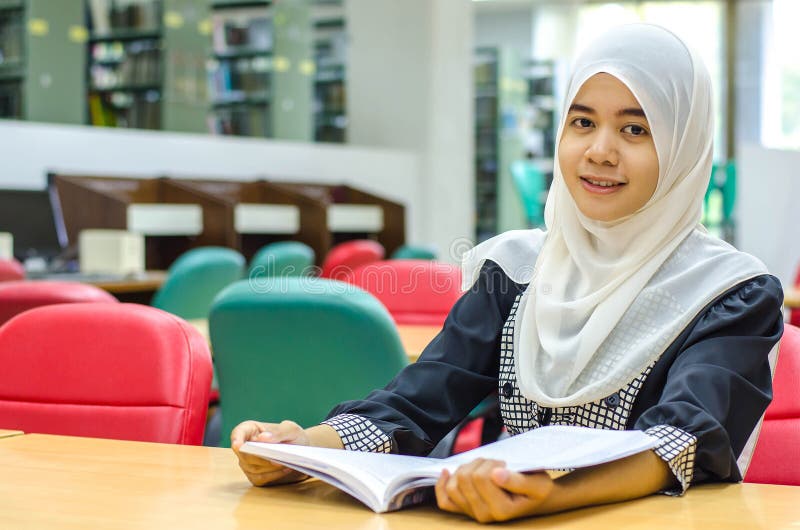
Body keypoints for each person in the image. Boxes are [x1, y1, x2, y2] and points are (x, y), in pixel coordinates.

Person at [231, 24, 784, 523]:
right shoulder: (515, 270)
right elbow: (418, 401)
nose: (599, 151)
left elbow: (682, 441)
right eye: (582, 122)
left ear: (684, 147)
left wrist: (550, 493)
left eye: (636, 131)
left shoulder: (730, 292)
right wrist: (304, 448)